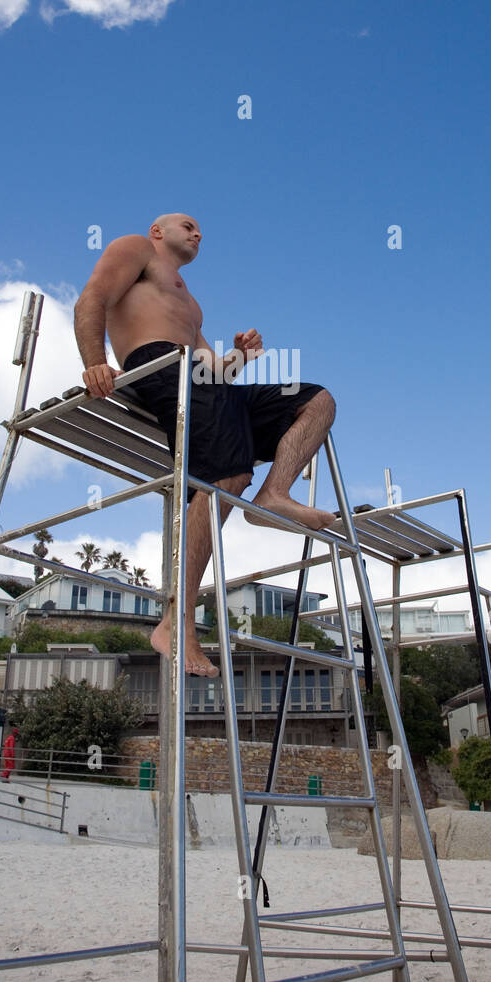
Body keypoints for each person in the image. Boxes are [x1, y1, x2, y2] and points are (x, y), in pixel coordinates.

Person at [74, 213, 337, 679]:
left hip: (198, 379)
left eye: (201, 231)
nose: (198, 234)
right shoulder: (135, 247)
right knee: (224, 475)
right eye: (188, 225)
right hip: (154, 366)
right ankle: (175, 622)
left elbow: (215, 372)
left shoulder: (190, 303)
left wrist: (242, 356)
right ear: (158, 231)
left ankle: (273, 494)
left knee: (316, 401)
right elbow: (92, 297)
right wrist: (94, 361)